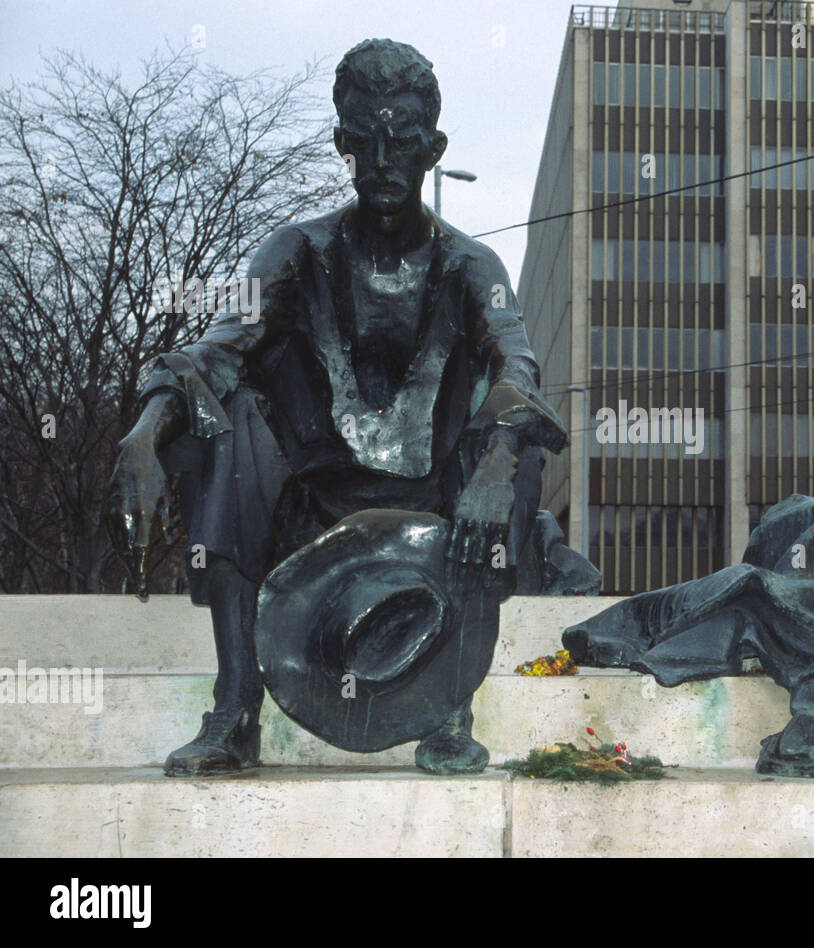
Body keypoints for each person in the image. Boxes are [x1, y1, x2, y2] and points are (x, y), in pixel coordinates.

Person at [104, 38, 570, 777]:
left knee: (514, 436)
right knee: (225, 420)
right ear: (342, 146)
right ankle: (233, 711)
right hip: (312, 513)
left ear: (433, 147)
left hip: (439, 511)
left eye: (404, 142)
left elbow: (519, 364)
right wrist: (144, 430)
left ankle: (449, 703)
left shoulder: (471, 266)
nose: (383, 161)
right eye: (365, 142)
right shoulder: (295, 250)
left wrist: (501, 455)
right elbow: (219, 347)